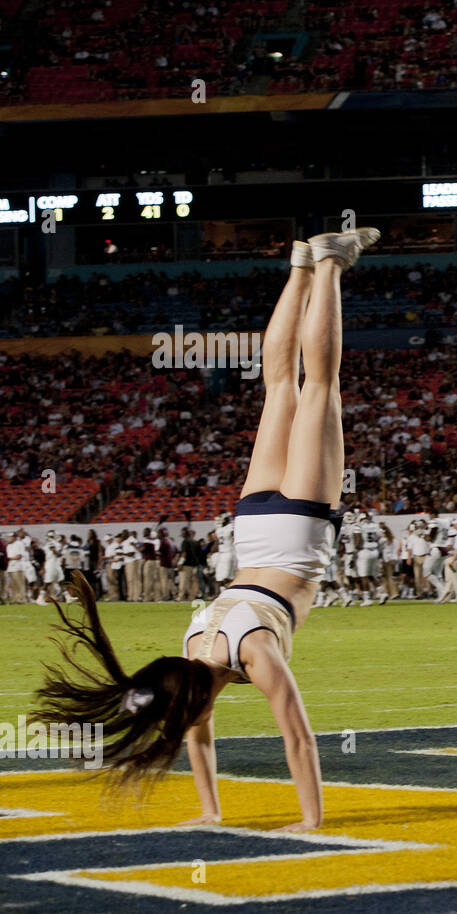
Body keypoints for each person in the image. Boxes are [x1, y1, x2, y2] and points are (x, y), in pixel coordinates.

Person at [33, 227, 382, 831]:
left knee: (316, 387)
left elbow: (297, 738)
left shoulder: (249, 654)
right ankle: (299, 267)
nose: (188, 725)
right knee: (279, 388)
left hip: (297, 534)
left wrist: (311, 822)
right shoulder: (192, 647)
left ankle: (328, 267)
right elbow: (199, 736)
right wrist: (209, 814)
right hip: (250, 527)